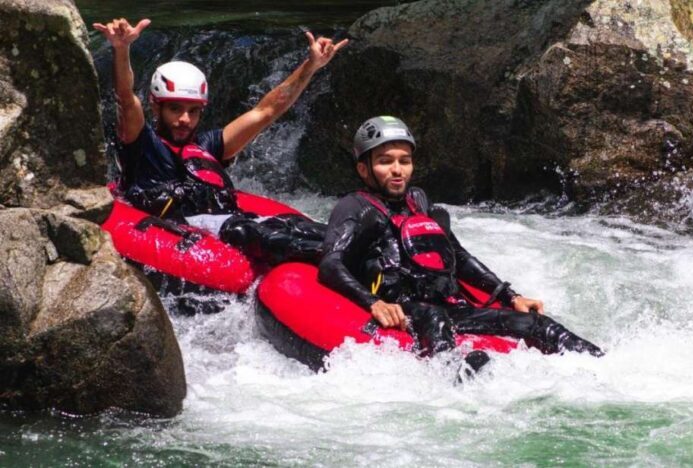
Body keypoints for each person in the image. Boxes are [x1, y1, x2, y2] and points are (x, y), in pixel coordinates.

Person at [318, 116, 604, 371]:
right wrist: (375, 303)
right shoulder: (353, 207)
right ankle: (453, 377)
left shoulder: (419, 202)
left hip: (448, 304)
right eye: (385, 161)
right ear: (364, 169)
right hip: (405, 308)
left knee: (537, 324)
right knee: (435, 316)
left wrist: (510, 297)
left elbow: (457, 255)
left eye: (404, 161)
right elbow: (330, 264)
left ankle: (601, 363)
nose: (397, 170)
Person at [92, 18, 348, 265]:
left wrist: (310, 66)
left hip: (233, 221)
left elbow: (265, 111)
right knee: (252, 233)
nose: (185, 119)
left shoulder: (209, 146)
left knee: (304, 228)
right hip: (206, 231)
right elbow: (125, 98)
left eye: (193, 111)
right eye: (175, 109)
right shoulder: (142, 144)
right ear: (156, 106)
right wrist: (122, 49)